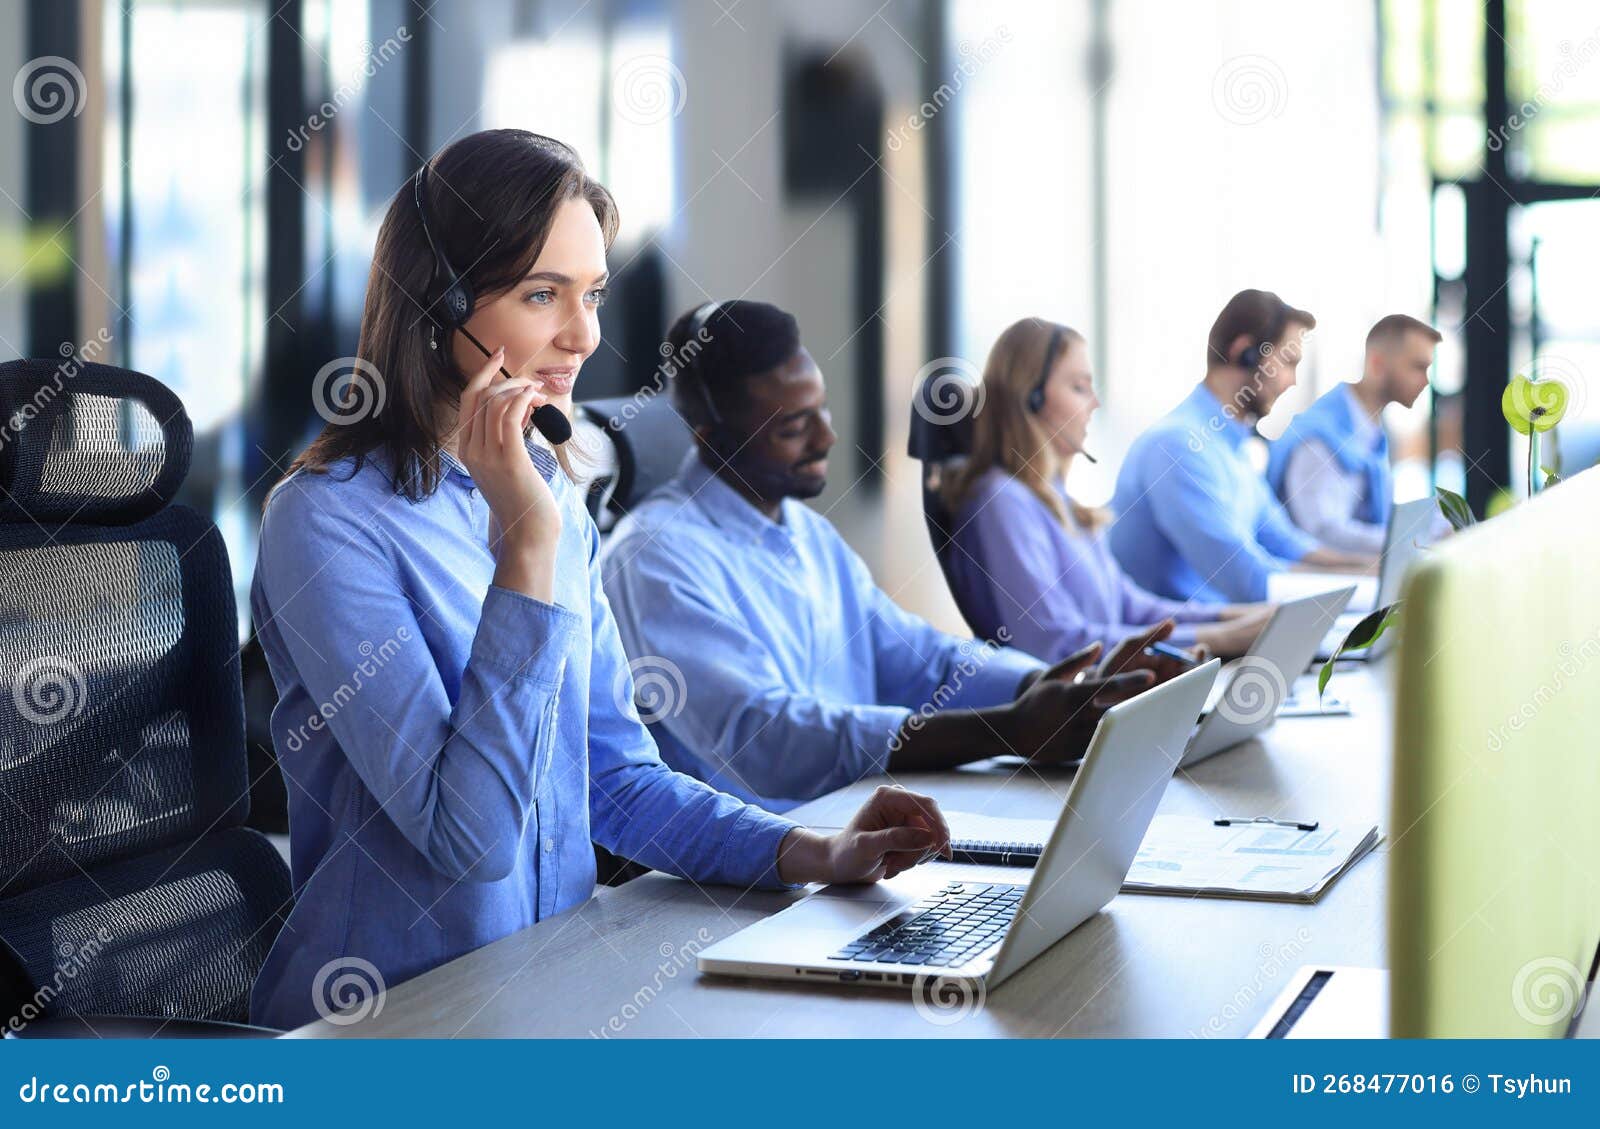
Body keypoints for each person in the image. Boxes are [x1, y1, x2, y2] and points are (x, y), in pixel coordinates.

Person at [248, 132, 953, 1032]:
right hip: (398, 1023)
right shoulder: (327, 522)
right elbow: (472, 841)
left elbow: (616, 777)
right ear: (442, 305)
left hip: (554, 989)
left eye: (592, 295)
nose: (585, 337)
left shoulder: (550, 497)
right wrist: (528, 552)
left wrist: (812, 847)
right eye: (543, 295)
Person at [601, 300, 1185, 813]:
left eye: (822, 411)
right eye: (794, 427)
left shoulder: (805, 532)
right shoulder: (655, 557)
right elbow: (765, 741)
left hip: (856, 826)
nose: (827, 439)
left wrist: (1051, 685)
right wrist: (1002, 730)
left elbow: (920, 660)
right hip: (761, 868)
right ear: (710, 438)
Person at [940, 317, 1275, 661]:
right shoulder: (1002, 501)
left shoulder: (1055, 498)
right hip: (1076, 708)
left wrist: (1238, 618)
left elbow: (1131, 607)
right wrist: (1223, 639)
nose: (1094, 403)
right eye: (1079, 387)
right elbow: (1055, 641)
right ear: (1031, 398)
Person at [1108, 289, 1375, 603]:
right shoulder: (1178, 447)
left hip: (1229, 633)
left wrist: (1373, 570)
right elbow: (1247, 580)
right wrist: (1363, 589)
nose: (1292, 382)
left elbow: (1287, 543)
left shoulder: (1234, 449)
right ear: (1244, 351)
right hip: (1183, 645)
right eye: (1288, 362)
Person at [1266, 314, 1442, 554]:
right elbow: (1323, 533)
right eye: (1417, 367)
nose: (1425, 381)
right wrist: (1412, 540)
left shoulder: (1375, 436)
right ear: (1377, 364)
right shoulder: (1320, 439)